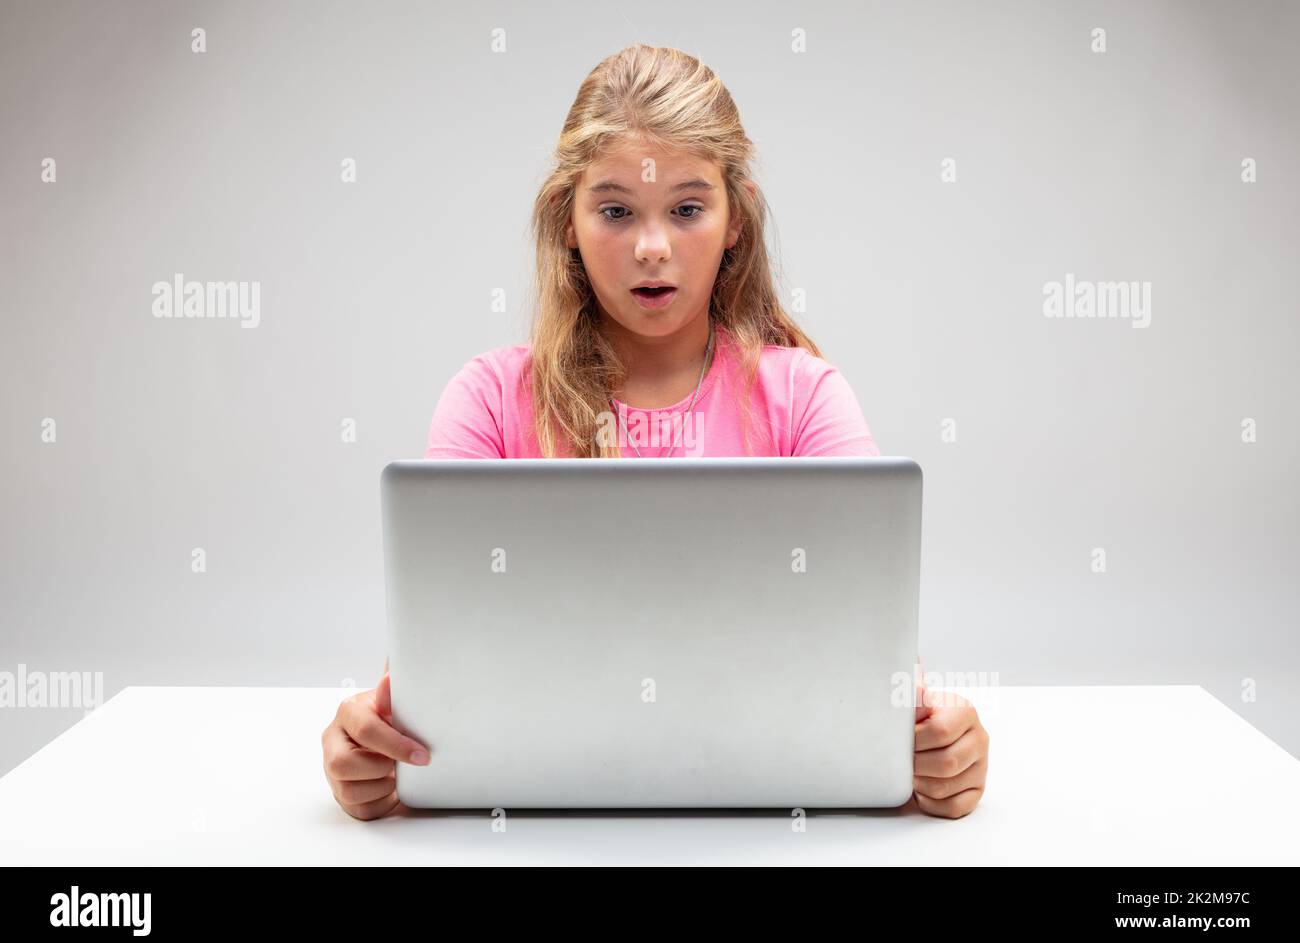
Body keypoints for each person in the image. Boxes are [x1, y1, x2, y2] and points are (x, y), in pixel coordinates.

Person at [322, 44, 988, 822]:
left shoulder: (805, 398)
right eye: (614, 211)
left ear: (734, 220)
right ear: (566, 222)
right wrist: (369, 743)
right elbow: (430, 674)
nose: (651, 247)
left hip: (766, 813)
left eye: (687, 208)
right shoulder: (489, 400)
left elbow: (876, 674)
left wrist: (941, 745)